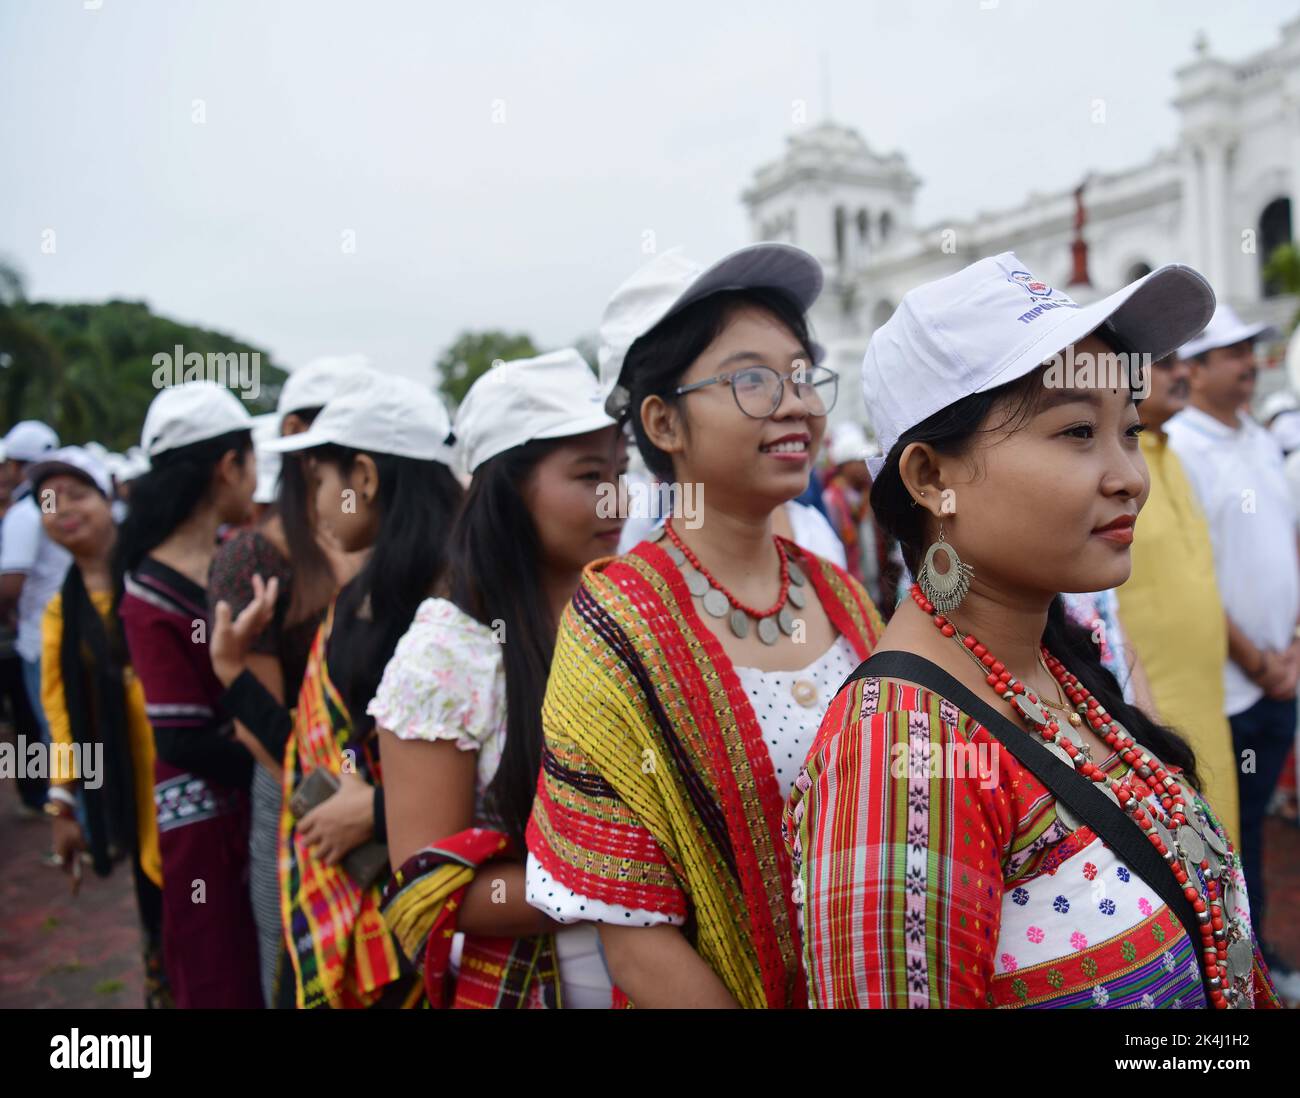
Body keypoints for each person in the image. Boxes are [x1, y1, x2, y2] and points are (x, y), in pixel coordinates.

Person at [787, 253, 1278, 1009]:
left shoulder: (1059, 663)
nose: (1129, 476)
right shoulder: (904, 754)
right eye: (1078, 430)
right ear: (929, 478)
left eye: (1129, 430)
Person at [525, 244, 884, 1008]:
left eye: (801, 375)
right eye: (752, 378)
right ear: (663, 421)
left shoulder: (846, 599)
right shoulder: (613, 628)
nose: (796, 404)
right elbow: (633, 934)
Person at [372, 349, 624, 1008]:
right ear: (507, 490)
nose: (618, 499)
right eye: (590, 475)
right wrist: (622, 881)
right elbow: (426, 888)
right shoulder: (446, 657)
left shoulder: (629, 612)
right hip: (536, 983)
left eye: (622, 472)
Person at [212, 373, 463, 1009]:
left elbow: (505, 793)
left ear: (366, 479)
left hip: (434, 937)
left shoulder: (455, 609)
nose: (316, 502)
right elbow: (309, 767)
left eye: (320, 481)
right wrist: (233, 673)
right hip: (376, 921)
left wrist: (378, 812)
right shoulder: (363, 600)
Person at [208, 356, 372, 1007]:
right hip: (301, 796)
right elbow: (263, 729)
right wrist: (349, 815)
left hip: (384, 786)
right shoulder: (253, 558)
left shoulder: (378, 540)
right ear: (300, 436)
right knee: (305, 970)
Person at [1165, 304, 1299, 989]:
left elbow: (1287, 545)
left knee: (1256, 828)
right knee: (1233, 837)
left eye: (1253, 351)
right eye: (1234, 353)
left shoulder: (1256, 438)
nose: (1250, 365)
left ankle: (1259, 957)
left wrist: (1294, 648)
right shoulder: (1182, 448)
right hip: (1231, 687)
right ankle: (1247, 968)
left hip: (1282, 676)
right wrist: (1257, 660)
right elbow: (1195, 579)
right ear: (1196, 367)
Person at [117, 381, 263, 1009]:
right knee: (219, 973)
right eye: (251, 460)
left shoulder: (231, 556)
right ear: (228, 465)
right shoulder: (148, 594)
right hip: (205, 822)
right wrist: (276, 746)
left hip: (248, 802)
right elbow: (179, 736)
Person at [34, 447, 170, 1006]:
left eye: (79, 494)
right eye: (49, 500)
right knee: (159, 914)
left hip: (187, 770)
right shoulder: (61, 614)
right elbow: (61, 719)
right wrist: (63, 803)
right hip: (131, 790)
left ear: (109, 501)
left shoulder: (155, 575)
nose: (64, 508)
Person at [1117, 352, 1240, 844]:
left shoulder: (1172, 454)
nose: (1183, 374)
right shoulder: (1115, 474)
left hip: (1212, 704)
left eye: (1185, 363)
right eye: (1165, 364)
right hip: (1154, 720)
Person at [0, 420, 67, 816]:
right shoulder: (56, 505)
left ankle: (71, 821)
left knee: (52, 731)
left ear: (17, 466)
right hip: (55, 633)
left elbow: (11, 584)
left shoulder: (27, 512)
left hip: (40, 639)